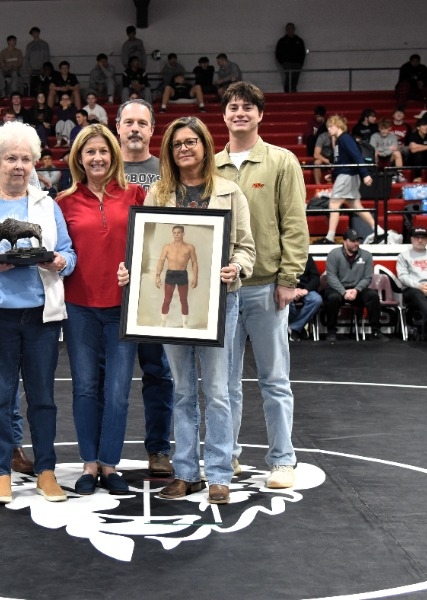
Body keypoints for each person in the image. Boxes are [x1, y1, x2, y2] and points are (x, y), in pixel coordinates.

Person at [126, 116, 254, 502]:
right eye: (178, 143)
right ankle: (184, 472)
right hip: (176, 305)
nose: (184, 148)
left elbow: (247, 247)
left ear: (205, 146)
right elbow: (148, 248)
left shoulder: (231, 191)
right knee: (182, 390)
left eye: (191, 142)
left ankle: (218, 474)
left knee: (216, 391)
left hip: (220, 300)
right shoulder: (159, 195)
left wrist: (238, 267)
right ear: (169, 150)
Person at [0, 121, 76, 504]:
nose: (18, 166)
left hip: (40, 318)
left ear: (35, 163)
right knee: (0, 399)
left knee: (42, 398)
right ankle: (2, 471)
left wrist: (57, 262)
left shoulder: (48, 205)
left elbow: (70, 255)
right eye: (10, 158)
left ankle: (47, 471)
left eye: (25, 158)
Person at [216, 81, 309, 489]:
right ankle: (227, 456)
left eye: (247, 108)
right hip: (223, 289)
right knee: (225, 381)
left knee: (274, 378)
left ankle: (283, 460)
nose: (240, 113)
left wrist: (289, 278)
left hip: (266, 285)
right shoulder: (210, 165)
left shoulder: (282, 161)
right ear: (224, 115)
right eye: (233, 107)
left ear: (260, 114)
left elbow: (294, 224)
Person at [57, 124, 146, 495]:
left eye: (104, 151)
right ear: (79, 157)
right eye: (89, 151)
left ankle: (110, 464)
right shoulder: (62, 202)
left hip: (123, 309)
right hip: (79, 307)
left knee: (118, 390)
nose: (97, 158)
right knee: (85, 388)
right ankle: (89, 464)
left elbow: (150, 247)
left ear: (115, 155)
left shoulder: (136, 194)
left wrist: (136, 268)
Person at [115, 98, 174, 477]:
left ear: (153, 130)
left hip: (155, 291)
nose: (135, 129)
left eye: (142, 123)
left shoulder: (166, 171)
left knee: (159, 373)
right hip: (112, 290)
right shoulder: (100, 165)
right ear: (118, 126)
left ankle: (159, 450)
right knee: (110, 377)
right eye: (129, 122)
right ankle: (105, 453)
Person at [321, 114, 381, 244]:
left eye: (331, 126)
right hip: (347, 174)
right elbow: (342, 160)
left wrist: (365, 174)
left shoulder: (345, 138)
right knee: (355, 205)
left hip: (347, 175)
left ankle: (330, 237)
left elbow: (356, 155)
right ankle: (379, 231)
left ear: (337, 126)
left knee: (334, 204)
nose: (329, 130)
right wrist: (334, 173)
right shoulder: (340, 140)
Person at [322, 228, 387, 342]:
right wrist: (343, 292)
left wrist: (356, 289)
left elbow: (367, 277)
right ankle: (331, 331)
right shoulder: (334, 254)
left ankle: (376, 331)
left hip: (357, 289)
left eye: (358, 241)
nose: (356, 243)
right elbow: (331, 277)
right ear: (345, 241)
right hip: (338, 289)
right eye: (353, 241)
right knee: (333, 298)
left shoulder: (366, 255)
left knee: (372, 296)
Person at [155, 225, 197, 327]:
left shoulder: (189, 247)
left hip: (182, 274)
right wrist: (157, 275)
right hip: (170, 274)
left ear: (183, 233)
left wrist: (196, 277)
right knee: (167, 299)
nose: (176, 234)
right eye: (174, 233)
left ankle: (185, 323)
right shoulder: (167, 247)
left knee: (184, 300)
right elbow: (161, 261)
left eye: (179, 232)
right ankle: (163, 321)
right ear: (172, 234)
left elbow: (194, 262)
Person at [288, 255, 322, 341]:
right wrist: (292, 289)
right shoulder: (281, 256)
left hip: (306, 289)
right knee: (285, 299)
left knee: (316, 299)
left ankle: (295, 328)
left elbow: (315, 278)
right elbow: (277, 277)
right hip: (287, 288)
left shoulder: (307, 257)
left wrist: (306, 290)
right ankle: (299, 328)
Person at [275, 23, 306, 93]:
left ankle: (293, 91)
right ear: (286, 30)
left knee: (295, 79)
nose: (290, 30)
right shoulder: (282, 41)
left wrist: (300, 63)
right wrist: (283, 63)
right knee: (288, 78)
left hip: (297, 64)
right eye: (288, 29)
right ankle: (288, 92)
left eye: (291, 28)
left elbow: (303, 53)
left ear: (294, 29)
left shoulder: (299, 40)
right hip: (287, 64)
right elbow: (278, 53)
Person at [408, 117, 427, 182]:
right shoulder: (413, 135)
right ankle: (417, 177)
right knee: (417, 154)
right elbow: (413, 149)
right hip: (414, 159)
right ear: (418, 127)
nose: (426, 127)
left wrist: (418, 146)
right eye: (424, 125)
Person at [25, 27, 51, 95]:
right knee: (33, 86)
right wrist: (29, 69)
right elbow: (27, 58)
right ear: (31, 34)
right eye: (33, 33)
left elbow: (47, 57)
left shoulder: (44, 44)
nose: (35, 34)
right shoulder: (29, 45)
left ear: (39, 33)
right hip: (33, 70)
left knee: (44, 86)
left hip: (43, 70)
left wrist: (45, 69)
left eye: (36, 32)